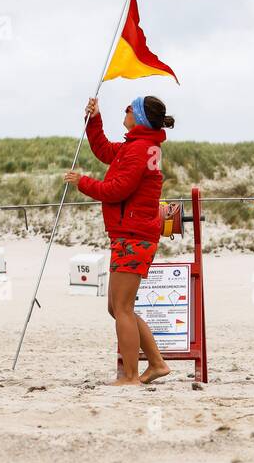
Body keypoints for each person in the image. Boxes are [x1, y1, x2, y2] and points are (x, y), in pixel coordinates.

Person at [64, 95, 175, 385]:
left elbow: (117, 189)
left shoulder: (140, 148)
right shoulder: (138, 145)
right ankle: (157, 363)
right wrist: (94, 119)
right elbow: (103, 149)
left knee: (122, 308)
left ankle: (130, 376)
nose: (124, 111)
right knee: (117, 307)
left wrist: (82, 182)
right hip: (130, 234)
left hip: (134, 235)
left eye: (128, 108)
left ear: (138, 116)